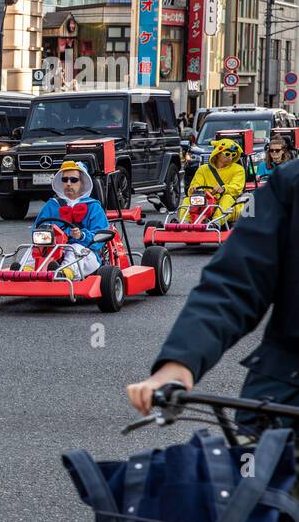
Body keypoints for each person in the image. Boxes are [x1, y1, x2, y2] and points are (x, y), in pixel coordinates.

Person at [127, 161, 299, 424]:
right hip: (285, 384)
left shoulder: (249, 173)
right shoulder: (289, 183)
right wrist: (180, 362)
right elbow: (232, 284)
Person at [16, 159, 108, 279]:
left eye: (73, 180)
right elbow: (37, 228)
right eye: (65, 180)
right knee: (36, 249)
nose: (68, 183)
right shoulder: (52, 205)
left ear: (82, 183)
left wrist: (81, 236)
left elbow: (100, 236)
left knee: (75, 249)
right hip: (54, 249)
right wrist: (46, 235)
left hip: (84, 250)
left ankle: (63, 274)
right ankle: (24, 272)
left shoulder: (93, 207)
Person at [180, 138, 245, 222]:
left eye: (233, 155)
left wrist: (223, 189)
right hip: (205, 202)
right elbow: (196, 184)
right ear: (217, 154)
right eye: (227, 154)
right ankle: (185, 223)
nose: (230, 158)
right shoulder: (203, 169)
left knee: (227, 198)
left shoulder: (238, 169)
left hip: (228, 205)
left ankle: (216, 222)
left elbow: (236, 187)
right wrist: (193, 189)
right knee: (187, 200)